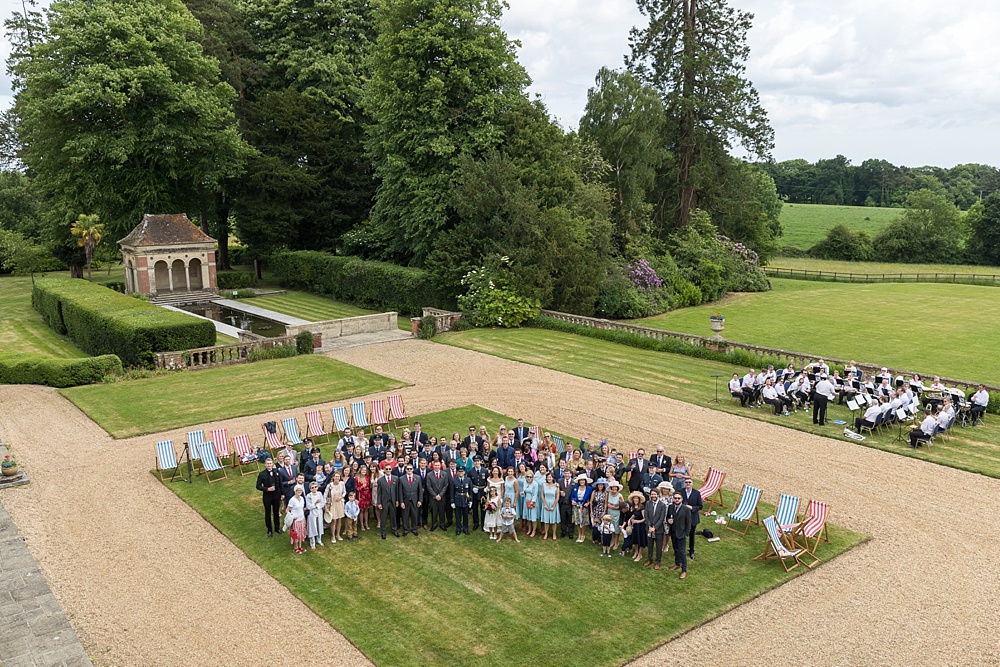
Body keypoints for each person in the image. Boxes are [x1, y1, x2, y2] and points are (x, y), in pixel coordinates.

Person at [666, 491, 692, 579]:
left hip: (681, 534)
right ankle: (677, 564)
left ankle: (684, 570)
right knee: (675, 549)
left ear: (681, 499)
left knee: (682, 552)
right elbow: (668, 517)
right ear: (673, 499)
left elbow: (689, 523)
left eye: (678, 498)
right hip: (673, 532)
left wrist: (686, 533)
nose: (677, 500)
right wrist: (668, 521)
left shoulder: (686, 509)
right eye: (675, 498)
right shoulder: (670, 507)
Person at [256, 458, 283, 537]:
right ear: (265, 464)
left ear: (272, 464)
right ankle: (269, 530)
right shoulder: (262, 474)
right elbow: (258, 486)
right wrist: (267, 489)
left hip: (276, 495)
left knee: (276, 512)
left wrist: (282, 493)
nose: (269, 465)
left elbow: (280, 483)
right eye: (267, 463)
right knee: (268, 513)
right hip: (267, 496)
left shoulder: (276, 472)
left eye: (270, 463)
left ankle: (277, 528)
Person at [643, 489, 666, 569]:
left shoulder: (662, 505)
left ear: (658, 495)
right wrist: (649, 526)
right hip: (649, 528)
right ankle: (649, 559)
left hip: (658, 529)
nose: (653, 496)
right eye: (652, 494)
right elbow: (646, 515)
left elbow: (662, 518)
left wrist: (654, 528)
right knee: (650, 545)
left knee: (659, 546)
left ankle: (658, 561)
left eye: (655, 494)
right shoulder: (648, 503)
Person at [398, 463, 423, 536]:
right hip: (405, 500)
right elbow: (400, 491)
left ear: (413, 470)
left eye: (410, 469)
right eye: (408, 469)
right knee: (405, 515)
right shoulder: (401, 478)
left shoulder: (417, 477)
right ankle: (405, 529)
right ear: (405, 470)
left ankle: (414, 528)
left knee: (414, 515)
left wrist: (420, 500)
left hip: (415, 500)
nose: (409, 470)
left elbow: (420, 490)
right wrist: (401, 502)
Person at [681, 478, 703, 560]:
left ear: (692, 483)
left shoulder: (697, 493)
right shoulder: (681, 491)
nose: (688, 484)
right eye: (686, 482)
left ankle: (691, 551)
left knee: (692, 535)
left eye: (689, 482)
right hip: (682, 517)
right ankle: (681, 549)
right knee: (681, 534)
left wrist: (692, 508)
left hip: (693, 517)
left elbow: (700, 506)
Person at [376, 469, 399, 539]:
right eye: (387, 469)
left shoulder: (395, 478)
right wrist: (379, 502)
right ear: (384, 471)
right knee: (383, 517)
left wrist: (397, 500)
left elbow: (397, 491)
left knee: (393, 516)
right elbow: (379, 492)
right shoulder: (380, 480)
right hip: (384, 501)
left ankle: (394, 530)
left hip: (393, 500)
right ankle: (383, 532)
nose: (388, 470)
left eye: (389, 469)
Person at [426, 461, 448, 531]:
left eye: (438, 465)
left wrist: (440, 495)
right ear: (433, 466)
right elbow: (428, 486)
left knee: (442, 511)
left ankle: (442, 524)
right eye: (435, 465)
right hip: (433, 497)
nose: (437, 467)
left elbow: (446, 485)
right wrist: (435, 495)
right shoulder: (429, 475)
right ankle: (434, 524)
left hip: (442, 496)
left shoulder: (444, 474)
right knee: (434, 511)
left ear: (440, 466)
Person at [324, 471, 346, 543]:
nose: (337, 478)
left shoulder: (342, 484)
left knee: (339, 520)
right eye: (335, 476)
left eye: (338, 477)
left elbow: (344, 492)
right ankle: (333, 535)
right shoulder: (329, 486)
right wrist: (325, 506)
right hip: (332, 504)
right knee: (334, 520)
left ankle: (338, 534)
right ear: (333, 477)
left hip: (340, 503)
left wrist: (341, 497)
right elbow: (325, 496)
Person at [450, 466, 472, 535]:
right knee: (458, 515)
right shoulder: (454, 480)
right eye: (459, 472)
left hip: (465, 499)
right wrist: (452, 501)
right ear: (457, 472)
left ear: (464, 472)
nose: (461, 473)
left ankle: (465, 528)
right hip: (457, 499)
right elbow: (452, 491)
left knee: (465, 515)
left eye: (462, 471)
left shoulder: (468, 480)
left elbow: (470, 491)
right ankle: (458, 529)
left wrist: (470, 500)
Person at [285, 484, 307, 554]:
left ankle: (300, 546)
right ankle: (296, 547)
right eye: (298, 490)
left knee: (301, 533)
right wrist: (292, 517)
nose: (299, 492)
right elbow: (287, 510)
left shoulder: (302, 499)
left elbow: (302, 509)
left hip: (302, 518)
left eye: (300, 490)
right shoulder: (292, 500)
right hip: (295, 520)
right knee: (296, 534)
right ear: (295, 491)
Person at [468, 457, 488, 530]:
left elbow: (487, 480)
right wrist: (472, 487)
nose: (477, 463)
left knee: (483, 509)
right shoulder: (470, 471)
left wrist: (486, 488)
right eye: (475, 461)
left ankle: (483, 524)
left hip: (483, 492)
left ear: (481, 462)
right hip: (475, 492)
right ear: (473, 462)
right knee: (475, 508)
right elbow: (469, 481)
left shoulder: (485, 470)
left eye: (478, 461)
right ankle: (476, 523)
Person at [571, 474, 592, 543]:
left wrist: (588, 503)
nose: (582, 481)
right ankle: (579, 534)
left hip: (584, 507)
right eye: (580, 480)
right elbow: (572, 496)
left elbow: (590, 498)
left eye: (583, 480)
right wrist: (572, 501)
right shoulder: (575, 487)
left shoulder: (588, 488)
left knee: (583, 521)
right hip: (576, 506)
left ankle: (583, 534)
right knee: (577, 521)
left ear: (585, 481)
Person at [539, 472, 560, 541]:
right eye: (548, 477)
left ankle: (554, 533)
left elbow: (557, 497)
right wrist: (545, 504)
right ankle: (546, 533)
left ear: (553, 478)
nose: (549, 478)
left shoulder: (556, 486)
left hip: (554, 503)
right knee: (546, 520)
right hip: (546, 503)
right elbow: (542, 495)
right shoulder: (544, 485)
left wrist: (554, 506)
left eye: (550, 477)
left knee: (554, 520)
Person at [627, 491, 647, 562]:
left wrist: (637, 521)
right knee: (635, 539)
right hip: (635, 526)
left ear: (639, 499)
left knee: (640, 540)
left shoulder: (642, 507)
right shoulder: (633, 506)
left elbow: (645, 518)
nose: (635, 500)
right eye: (634, 498)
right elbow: (634, 514)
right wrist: (630, 519)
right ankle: (636, 552)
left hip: (641, 526)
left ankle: (640, 554)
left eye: (637, 498)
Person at [305, 482, 325, 549]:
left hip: (319, 511)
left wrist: (318, 506)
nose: (314, 489)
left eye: (315, 487)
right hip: (312, 513)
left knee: (319, 526)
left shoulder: (319, 494)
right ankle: (312, 542)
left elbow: (322, 503)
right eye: (312, 487)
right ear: (310, 489)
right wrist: (315, 504)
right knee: (312, 527)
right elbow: (308, 506)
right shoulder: (308, 496)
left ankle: (319, 540)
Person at [606, 480, 625, 551]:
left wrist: (615, 507)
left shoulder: (620, 496)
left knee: (616, 528)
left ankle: (616, 542)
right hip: (609, 513)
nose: (614, 489)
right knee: (611, 527)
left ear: (617, 488)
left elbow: (623, 506)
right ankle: (613, 541)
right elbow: (606, 503)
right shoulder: (609, 494)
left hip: (617, 514)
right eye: (613, 487)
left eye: (615, 488)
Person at [589, 479, 609, 544]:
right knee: (594, 526)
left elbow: (605, 503)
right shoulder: (594, 492)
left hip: (601, 510)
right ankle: (594, 539)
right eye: (599, 485)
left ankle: (600, 540)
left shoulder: (606, 493)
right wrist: (591, 511)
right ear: (597, 485)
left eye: (602, 485)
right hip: (595, 510)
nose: (600, 486)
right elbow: (591, 502)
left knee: (600, 526)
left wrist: (604, 512)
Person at [521, 471, 540, 538]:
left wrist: (532, 502)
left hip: (533, 501)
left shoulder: (535, 484)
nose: (529, 478)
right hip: (526, 500)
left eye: (530, 477)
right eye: (527, 477)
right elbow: (524, 492)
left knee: (533, 517)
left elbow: (535, 494)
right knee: (528, 517)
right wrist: (522, 494)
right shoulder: (524, 483)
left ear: (532, 477)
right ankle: (529, 529)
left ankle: (534, 530)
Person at [558, 469, 575, 538]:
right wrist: (559, 492)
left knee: (571, 518)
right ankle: (563, 531)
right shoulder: (560, 481)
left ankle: (570, 532)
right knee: (563, 518)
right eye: (565, 473)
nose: (567, 475)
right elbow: (556, 489)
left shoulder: (574, 482)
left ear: (571, 474)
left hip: (570, 504)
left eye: (568, 473)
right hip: (562, 503)